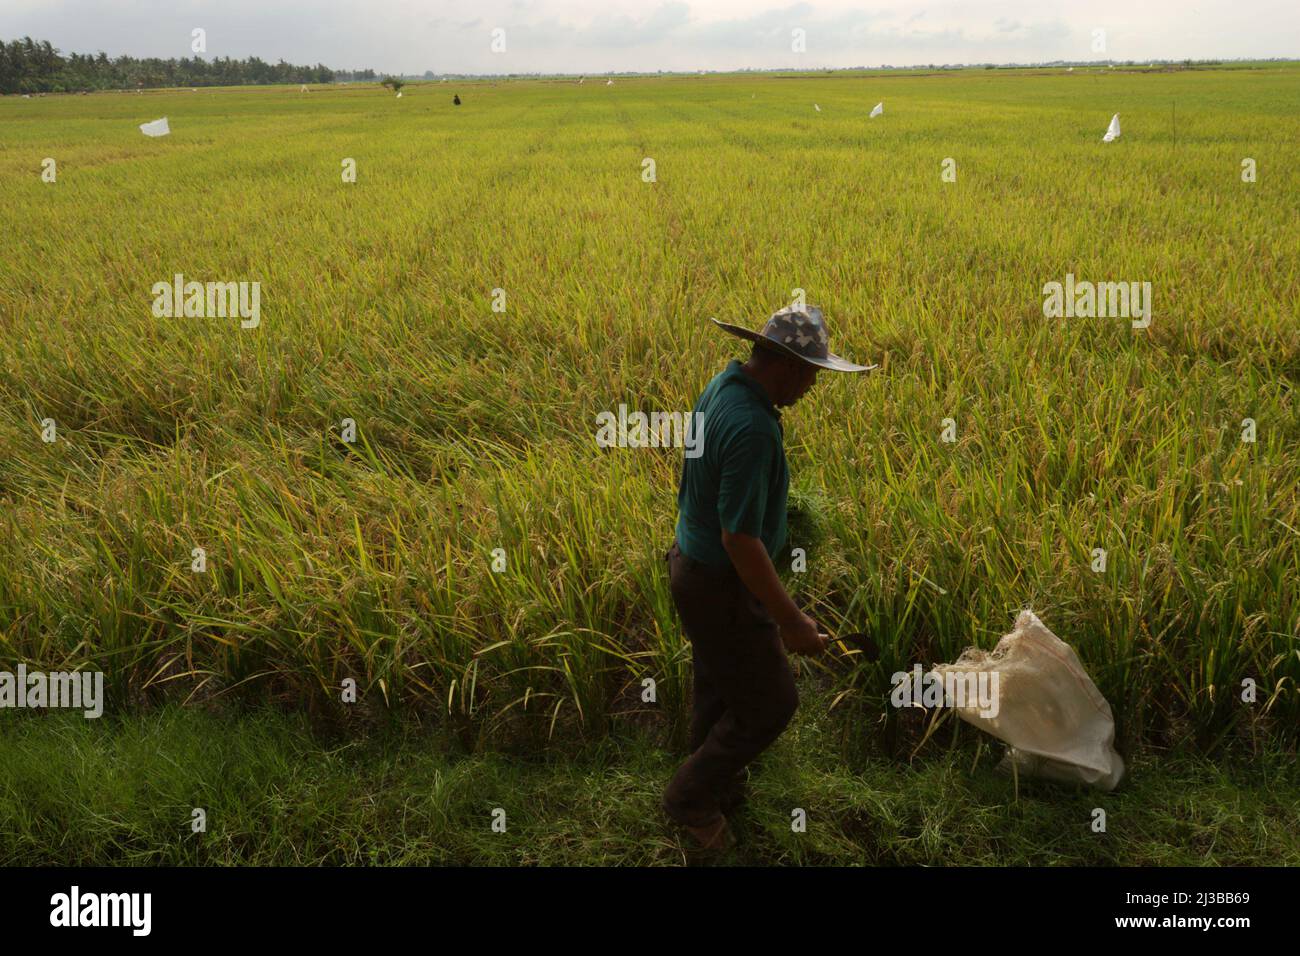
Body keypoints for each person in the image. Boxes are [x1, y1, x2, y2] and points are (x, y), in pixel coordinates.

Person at [663, 305, 875, 851]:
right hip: (719, 580)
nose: (811, 387)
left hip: (690, 564)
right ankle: (688, 797)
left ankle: (715, 785)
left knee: (718, 682)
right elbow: (740, 539)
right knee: (771, 703)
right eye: (810, 373)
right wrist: (793, 620)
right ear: (783, 364)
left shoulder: (724, 386)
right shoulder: (754, 427)